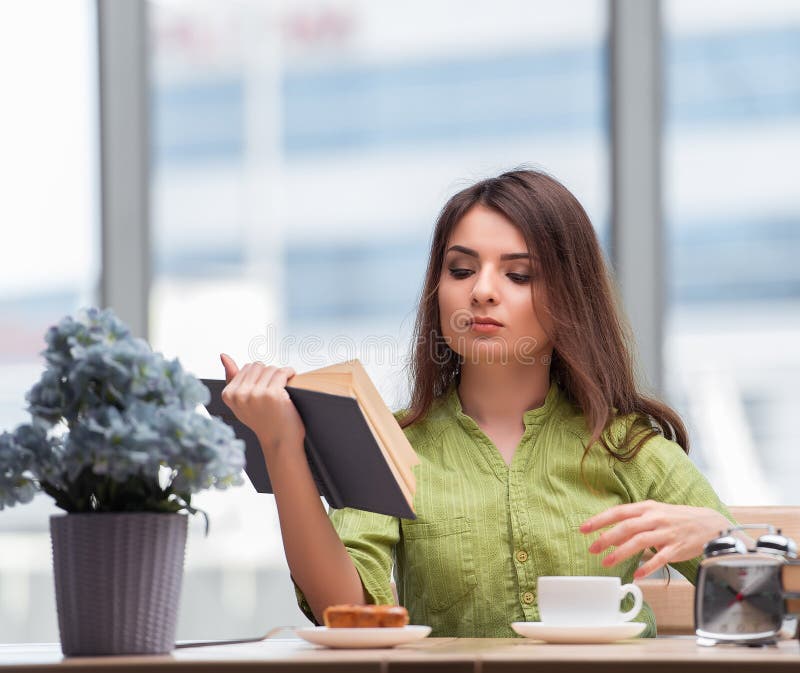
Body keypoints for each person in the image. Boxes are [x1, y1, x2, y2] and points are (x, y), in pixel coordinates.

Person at [219, 168, 742, 638]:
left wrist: (720, 538)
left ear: (570, 297)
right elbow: (343, 608)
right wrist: (282, 445)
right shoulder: (393, 444)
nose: (482, 292)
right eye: (461, 270)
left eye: (518, 275)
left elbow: (766, 605)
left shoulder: (628, 446)